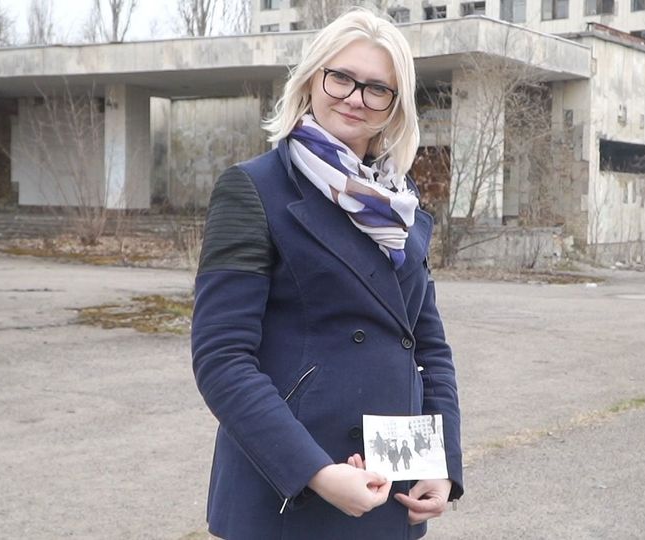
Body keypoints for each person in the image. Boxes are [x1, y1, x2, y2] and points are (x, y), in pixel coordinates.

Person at [191, 8, 463, 540]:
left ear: (395, 106)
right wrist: (315, 472)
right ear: (312, 79)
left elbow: (427, 347)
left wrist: (438, 460)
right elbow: (221, 358)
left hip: (389, 487)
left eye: (377, 89)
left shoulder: (399, 205)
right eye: (341, 77)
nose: (355, 98)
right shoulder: (254, 190)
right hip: (287, 494)